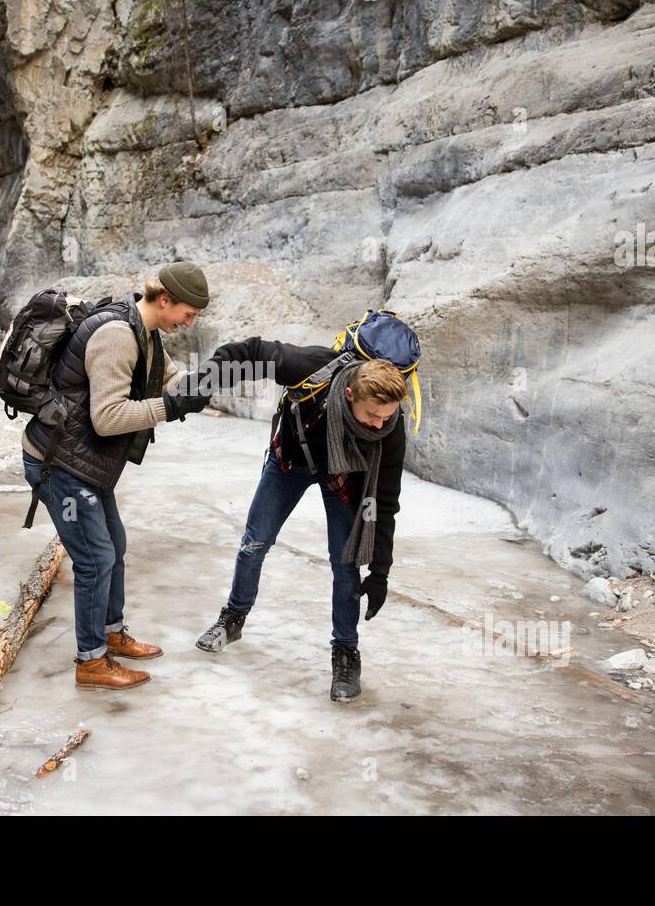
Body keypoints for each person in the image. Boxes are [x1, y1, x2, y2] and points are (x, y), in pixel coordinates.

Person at [194, 320, 416, 702]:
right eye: (372, 417)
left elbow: (385, 502)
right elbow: (252, 353)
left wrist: (380, 572)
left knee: (345, 564)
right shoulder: (313, 367)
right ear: (348, 395)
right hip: (291, 460)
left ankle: (345, 652)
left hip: (342, 475)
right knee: (255, 543)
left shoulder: (390, 430)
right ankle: (233, 617)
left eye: (387, 418)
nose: (380, 425)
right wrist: (203, 380)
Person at [22, 262, 212, 690]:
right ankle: (90, 663)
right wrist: (171, 408)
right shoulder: (116, 336)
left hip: (85, 462)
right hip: (61, 464)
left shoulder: (144, 331)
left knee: (114, 547)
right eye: (188, 312)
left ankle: (111, 632)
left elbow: (164, 377)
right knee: (94, 559)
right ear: (165, 299)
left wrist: (201, 384)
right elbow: (107, 419)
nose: (189, 321)